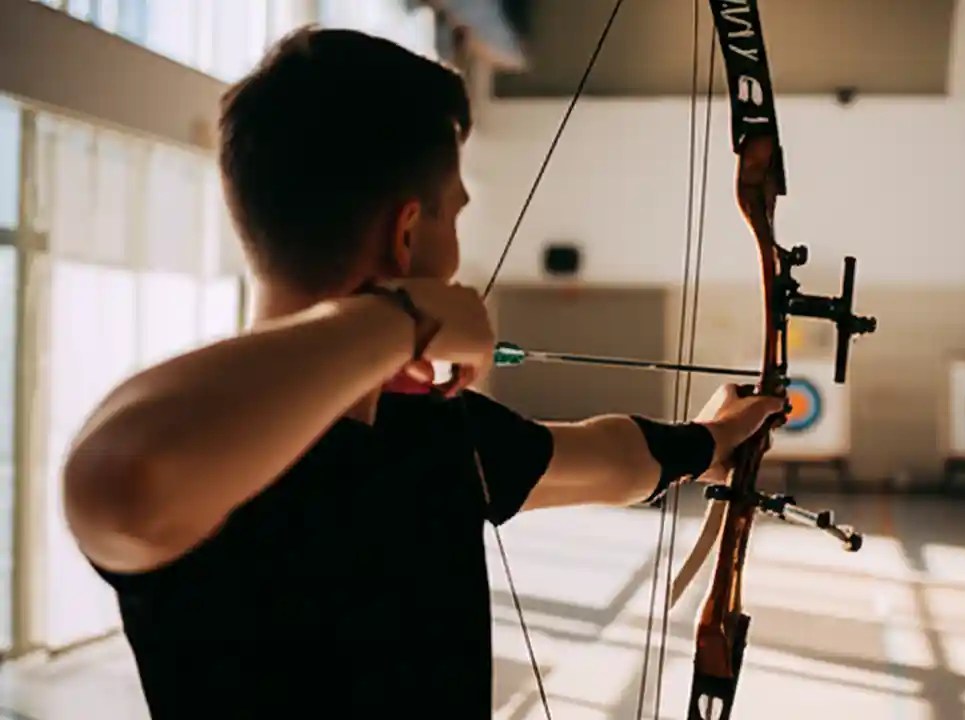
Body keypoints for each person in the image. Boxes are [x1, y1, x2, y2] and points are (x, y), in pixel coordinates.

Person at [61, 26, 782, 719]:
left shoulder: (436, 431)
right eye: (455, 215)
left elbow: (609, 458)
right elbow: (127, 485)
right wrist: (403, 318)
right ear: (407, 233)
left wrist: (712, 438)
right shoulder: (194, 453)